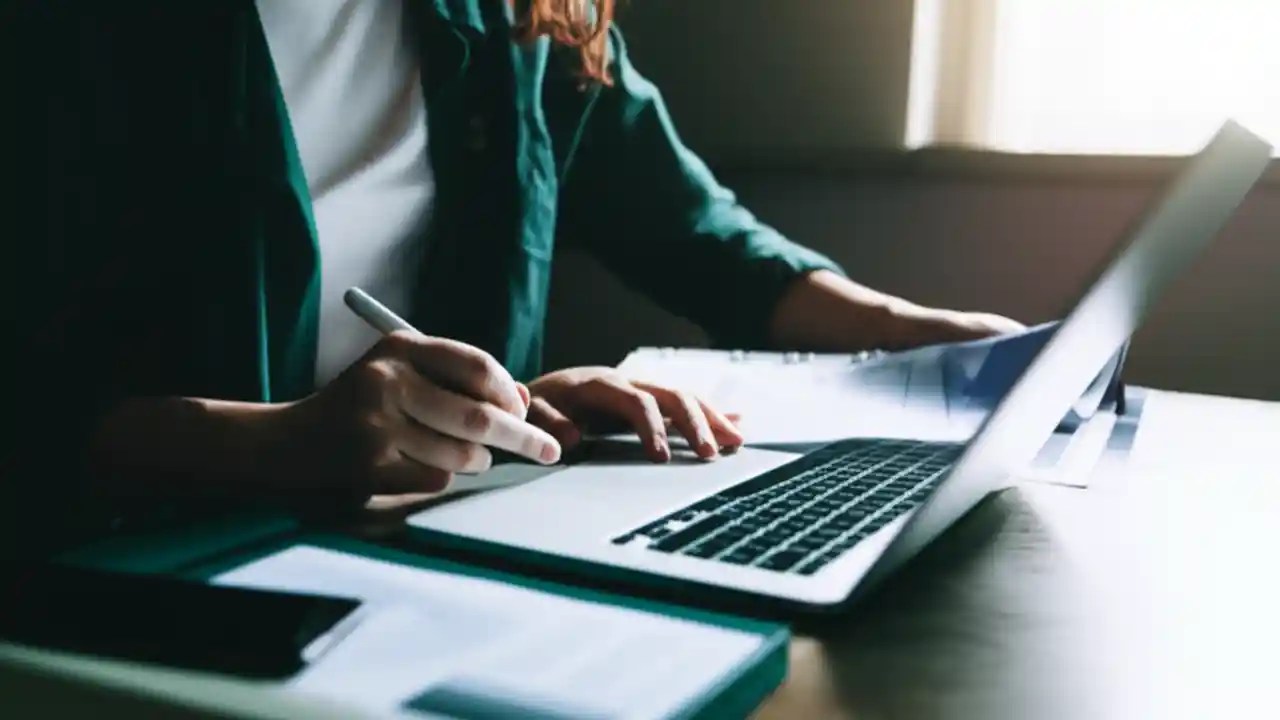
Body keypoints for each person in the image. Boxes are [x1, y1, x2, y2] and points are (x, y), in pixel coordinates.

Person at [1, 0, 1020, 561]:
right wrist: (278, 443)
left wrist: (916, 333)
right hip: (111, 590)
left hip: (411, 559)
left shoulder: (521, 15)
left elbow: (697, 232)